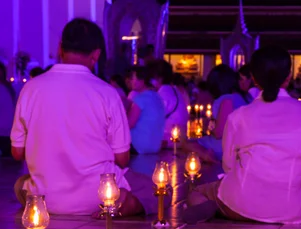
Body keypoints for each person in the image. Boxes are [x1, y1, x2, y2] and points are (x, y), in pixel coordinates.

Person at [11, 18, 158, 217]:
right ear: (96, 54)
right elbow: (122, 159)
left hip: (46, 199)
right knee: (157, 189)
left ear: (60, 47)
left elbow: (17, 153)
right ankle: (120, 205)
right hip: (98, 196)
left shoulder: (30, 89)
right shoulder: (107, 93)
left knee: (21, 185)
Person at [184, 46, 301, 224]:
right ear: (289, 76)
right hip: (290, 208)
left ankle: (216, 207)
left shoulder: (239, 116)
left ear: (253, 78)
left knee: (197, 193)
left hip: (239, 204)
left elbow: (228, 166)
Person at [183, 64, 249, 162]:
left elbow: (219, 132)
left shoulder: (226, 100)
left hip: (225, 147)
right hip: (237, 145)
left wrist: (208, 125)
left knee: (186, 143)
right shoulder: (241, 97)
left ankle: (208, 157)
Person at [148, 60, 188, 148]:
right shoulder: (173, 89)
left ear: (159, 78)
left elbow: (153, 118)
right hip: (179, 136)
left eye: (151, 77)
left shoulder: (163, 92)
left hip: (170, 139)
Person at [128, 66, 165, 154]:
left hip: (138, 145)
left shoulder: (140, 99)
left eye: (134, 78)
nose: (131, 81)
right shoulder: (157, 97)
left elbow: (129, 124)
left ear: (142, 80)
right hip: (155, 145)